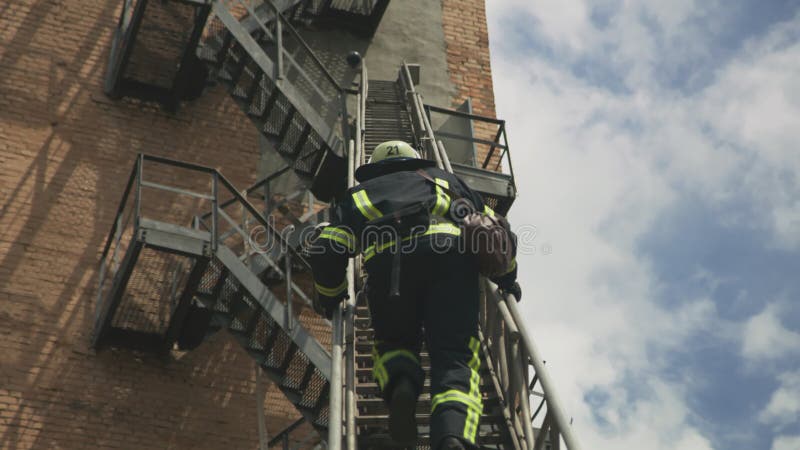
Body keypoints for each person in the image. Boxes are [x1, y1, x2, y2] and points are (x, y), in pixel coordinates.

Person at [309, 141, 519, 450]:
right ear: (415, 160)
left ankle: (400, 387)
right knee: (455, 356)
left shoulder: (356, 196)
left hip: (389, 270)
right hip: (450, 262)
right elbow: (496, 231)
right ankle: (453, 436)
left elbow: (327, 249)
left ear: (373, 168)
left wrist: (333, 295)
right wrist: (508, 277)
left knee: (394, 343)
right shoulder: (446, 181)